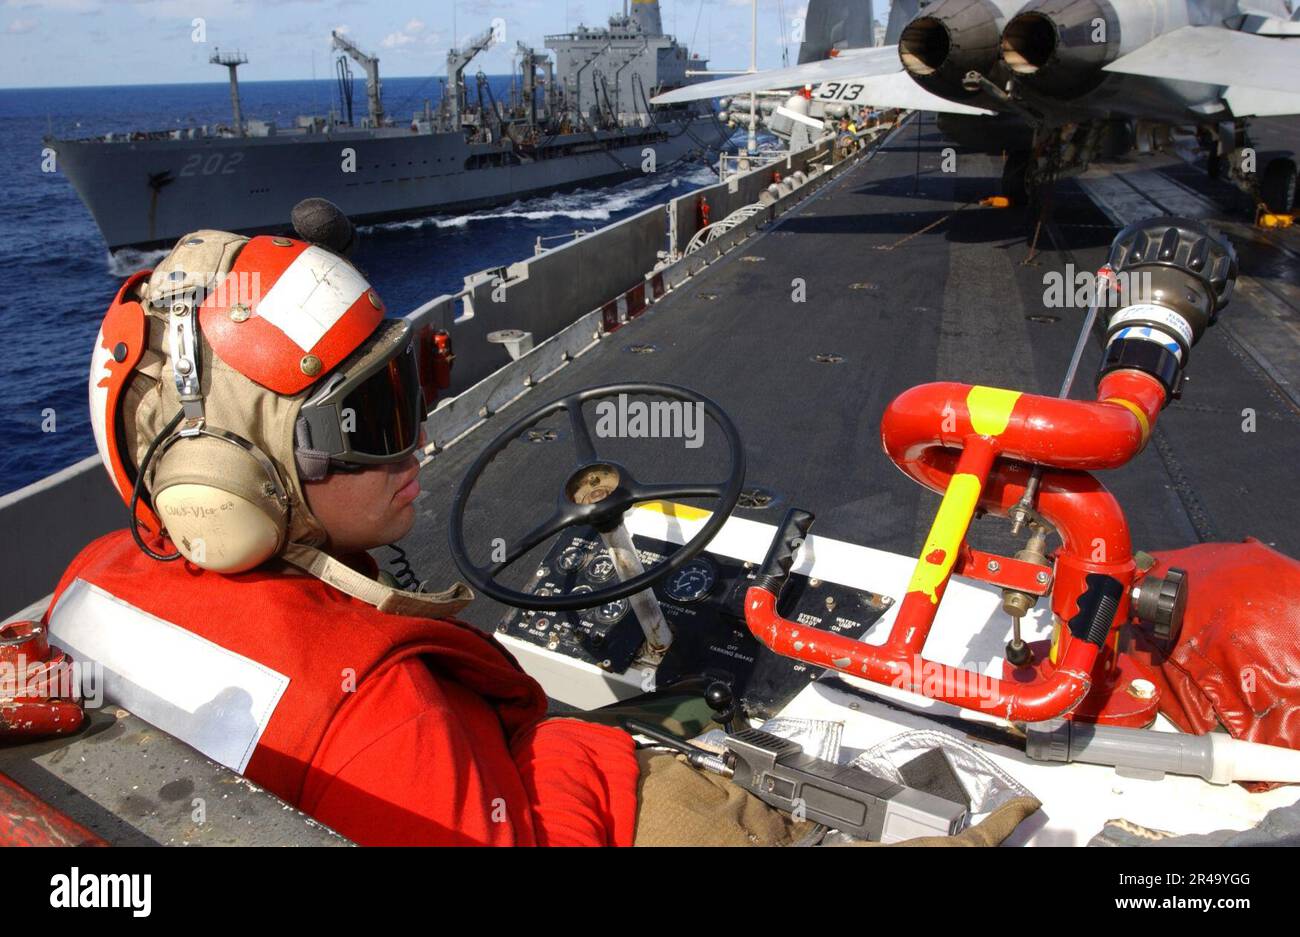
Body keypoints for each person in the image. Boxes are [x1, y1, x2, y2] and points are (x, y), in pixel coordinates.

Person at [46, 201, 1038, 847]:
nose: (417, 443)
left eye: (414, 385)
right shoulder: (376, 710)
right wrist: (603, 769)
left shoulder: (93, 578)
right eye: (377, 417)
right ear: (227, 488)